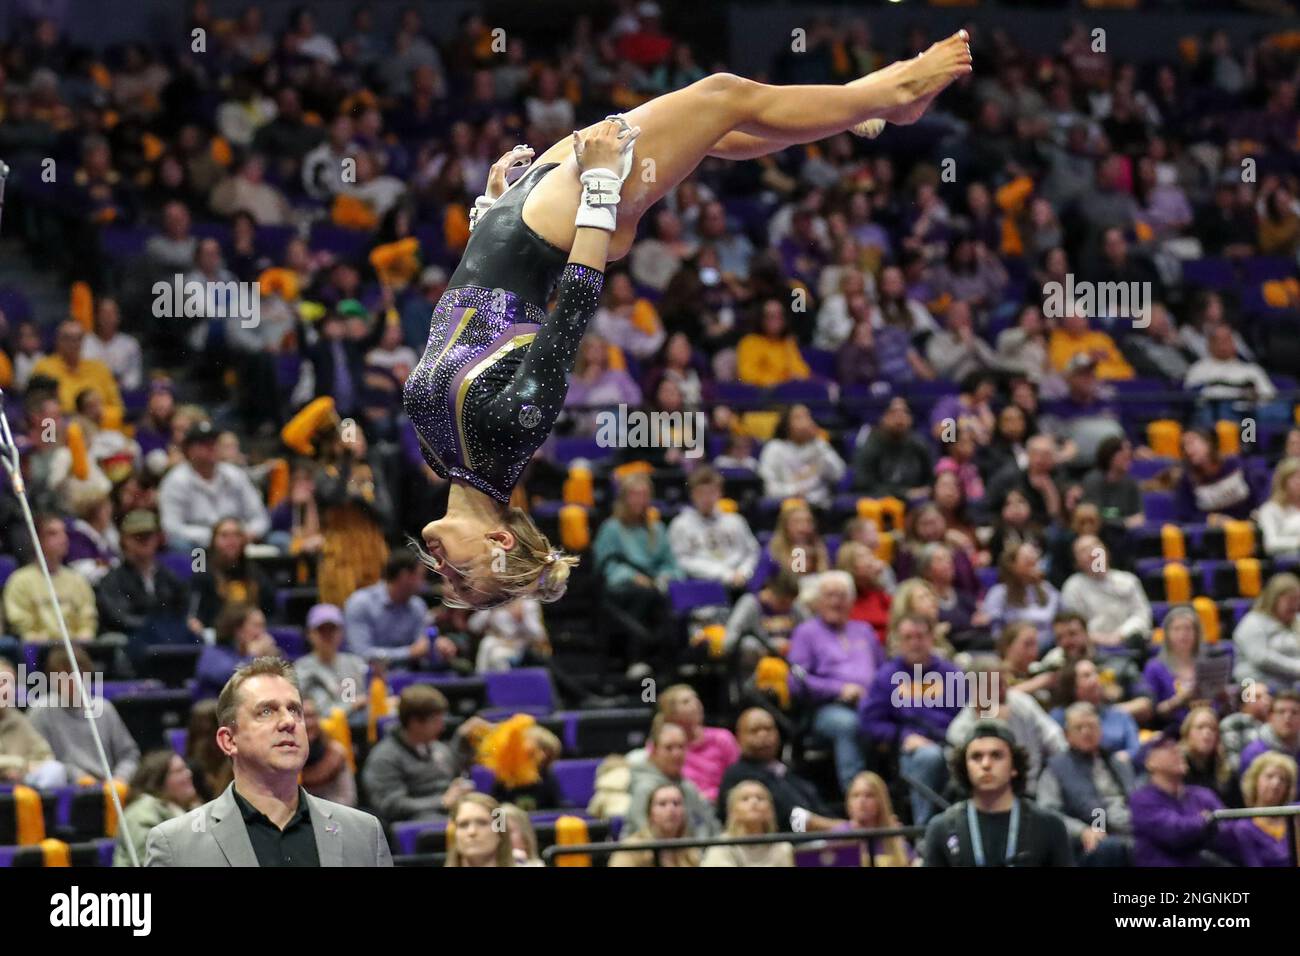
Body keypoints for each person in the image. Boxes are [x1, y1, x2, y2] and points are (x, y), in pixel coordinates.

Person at [408, 43, 975, 608]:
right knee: (720, 96)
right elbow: (574, 308)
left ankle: (860, 107)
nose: (442, 572)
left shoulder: (441, 456)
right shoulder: (509, 438)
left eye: (447, 581)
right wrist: (603, 188)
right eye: (462, 577)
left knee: (712, 130)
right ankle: (890, 98)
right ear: (500, 540)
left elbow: (456, 320)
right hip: (559, 225)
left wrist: (488, 214)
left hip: (518, 222)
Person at [146, 658, 391, 866]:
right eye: (266, 711)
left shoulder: (365, 833)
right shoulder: (175, 845)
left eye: (295, 710)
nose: (288, 721)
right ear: (229, 740)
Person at [924, 719, 1073, 867]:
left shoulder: (1048, 825)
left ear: (1014, 766)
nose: (986, 764)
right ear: (965, 767)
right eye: (976, 757)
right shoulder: (942, 828)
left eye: (996, 755)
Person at [863, 614, 965, 826]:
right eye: (907, 637)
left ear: (931, 638)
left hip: (952, 741)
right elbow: (870, 722)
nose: (914, 643)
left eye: (920, 636)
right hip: (912, 751)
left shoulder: (951, 673)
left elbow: (968, 713)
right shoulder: (886, 677)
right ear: (898, 642)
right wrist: (902, 736)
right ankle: (924, 830)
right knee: (929, 757)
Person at [788, 571, 884, 793]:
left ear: (851, 601)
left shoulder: (864, 630)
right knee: (848, 724)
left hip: (868, 704)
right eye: (829, 595)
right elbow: (796, 680)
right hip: (827, 709)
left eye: (842, 596)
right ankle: (858, 796)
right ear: (818, 601)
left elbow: (881, 671)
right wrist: (838, 689)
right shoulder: (807, 632)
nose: (835, 602)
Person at [593, 473, 682, 677]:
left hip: (653, 584)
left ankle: (670, 662)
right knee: (643, 594)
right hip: (620, 586)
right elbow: (606, 564)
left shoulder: (656, 529)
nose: (640, 500)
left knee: (663, 595)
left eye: (644, 495)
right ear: (624, 498)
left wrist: (665, 576)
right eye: (634, 494)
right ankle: (636, 658)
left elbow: (670, 563)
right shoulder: (611, 528)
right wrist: (632, 576)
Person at [946, 657, 1066, 797]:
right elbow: (964, 780)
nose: (1004, 690)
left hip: (1037, 787)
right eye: (995, 686)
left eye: (1004, 683)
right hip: (989, 797)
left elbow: (1053, 738)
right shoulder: (959, 731)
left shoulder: (1021, 702)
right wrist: (994, 724)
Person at [1035, 702, 1135, 866]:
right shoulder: (1056, 768)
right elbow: (1047, 814)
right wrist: (1082, 831)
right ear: (1067, 735)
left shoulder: (1118, 763)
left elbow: (1137, 799)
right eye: (1079, 728)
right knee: (1111, 847)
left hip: (1131, 831)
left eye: (1091, 726)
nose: (1086, 732)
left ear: (1101, 729)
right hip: (1088, 843)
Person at [1128, 729, 1243, 867]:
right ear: (1149, 762)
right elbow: (1174, 833)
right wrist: (1206, 820)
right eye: (1167, 748)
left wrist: (1205, 822)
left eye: (1176, 746)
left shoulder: (1202, 795)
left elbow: (1229, 831)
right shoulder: (1142, 800)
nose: (1177, 750)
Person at [360, 684, 473, 823]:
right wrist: (441, 802)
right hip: (418, 827)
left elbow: (456, 776)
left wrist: (463, 740)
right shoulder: (384, 757)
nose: (442, 727)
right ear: (415, 723)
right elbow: (391, 805)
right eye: (436, 721)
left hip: (450, 816)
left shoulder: (438, 748)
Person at [718, 708, 842, 833]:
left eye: (768, 729)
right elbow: (792, 819)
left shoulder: (784, 771)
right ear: (739, 738)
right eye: (754, 731)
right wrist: (841, 828)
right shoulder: (738, 775)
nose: (763, 735)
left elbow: (818, 808)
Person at [29, 646, 140, 783]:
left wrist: (120, 778)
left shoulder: (104, 709)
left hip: (110, 787)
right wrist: (77, 777)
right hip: (66, 791)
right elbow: (41, 761)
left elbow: (129, 755)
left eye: (78, 674)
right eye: (64, 675)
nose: (72, 681)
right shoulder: (40, 711)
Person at [158, 420, 271, 552]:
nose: (211, 447)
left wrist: (245, 533)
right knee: (180, 545)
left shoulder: (235, 475)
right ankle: (199, 572)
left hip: (237, 543)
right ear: (189, 450)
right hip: (198, 546)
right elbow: (171, 527)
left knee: (278, 540)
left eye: (214, 442)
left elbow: (260, 517)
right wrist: (214, 537)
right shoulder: (176, 480)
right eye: (204, 443)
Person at [96, 509, 192, 640]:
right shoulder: (112, 580)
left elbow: (183, 609)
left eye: (149, 535)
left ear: (158, 539)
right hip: (131, 641)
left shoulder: (170, 577)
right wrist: (158, 628)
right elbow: (120, 618)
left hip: (167, 641)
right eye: (138, 536)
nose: (144, 541)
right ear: (124, 540)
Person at [3, 513, 98, 643]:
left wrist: (83, 636)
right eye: (53, 533)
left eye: (64, 532)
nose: (63, 538)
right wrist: (52, 641)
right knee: (23, 663)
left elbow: (87, 621)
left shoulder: (77, 580)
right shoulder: (20, 581)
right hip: (37, 651)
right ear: (36, 540)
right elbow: (22, 627)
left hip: (76, 648)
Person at [343, 552, 443, 666]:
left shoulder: (418, 606)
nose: (423, 583)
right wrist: (409, 652)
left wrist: (435, 648)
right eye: (420, 576)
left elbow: (421, 648)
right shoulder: (360, 603)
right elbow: (361, 653)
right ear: (405, 576)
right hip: (365, 675)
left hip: (409, 676)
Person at [667, 466, 759, 589]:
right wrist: (725, 574)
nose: (706, 498)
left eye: (712, 492)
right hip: (703, 586)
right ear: (692, 494)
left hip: (741, 581)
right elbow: (681, 560)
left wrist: (744, 572)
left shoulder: (735, 521)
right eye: (701, 493)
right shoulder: (680, 524)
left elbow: (752, 552)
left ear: (720, 493)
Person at [626, 720, 720, 839]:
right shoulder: (644, 788)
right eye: (669, 748)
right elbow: (642, 834)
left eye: (681, 747)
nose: (676, 754)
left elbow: (708, 825)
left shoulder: (689, 787)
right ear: (654, 751)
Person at [1059, 535, 1151, 649]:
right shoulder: (1072, 586)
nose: (1092, 552)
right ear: (1077, 562)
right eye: (1083, 550)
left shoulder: (1128, 580)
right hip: (1092, 647)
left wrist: (1120, 635)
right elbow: (1073, 626)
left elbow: (1142, 615)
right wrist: (1100, 639)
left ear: (1106, 552)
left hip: (1129, 642)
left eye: (1095, 546)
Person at [113, 750, 199, 867]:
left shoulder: (192, 808)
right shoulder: (140, 813)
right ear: (159, 780)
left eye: (186, 768)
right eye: (179, 771)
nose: (189, 773)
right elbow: (148, 861)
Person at [656, 684, 740, 803]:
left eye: (696, 699)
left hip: (721, 804)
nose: (696, 704)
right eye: (686, 702)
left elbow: (737, 779)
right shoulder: (664, 745)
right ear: (671, 714)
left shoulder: (722, 738)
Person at [758, 404, 847, 509]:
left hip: (818, 506)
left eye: (807, 417)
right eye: (798, 418)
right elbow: (768, 487)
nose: (805, 422)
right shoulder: (775, 448)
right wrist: (794, 491)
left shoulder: (819, 445)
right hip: (785, 504)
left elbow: (838, 474)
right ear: (786, 424)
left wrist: (818, 442)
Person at [1050, 658, 1141, 760]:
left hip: (1120, 770)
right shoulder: (1060, 716)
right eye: (1087, 676)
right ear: (1072, 685)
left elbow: (1136, 749)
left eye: (1096, 673)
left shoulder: (1119, 715)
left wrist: (1118, 761)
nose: (1096, 679)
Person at [0, 656, 67, 788]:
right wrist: (19, 764)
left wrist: (24, 770)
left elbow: (45, 755)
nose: (6, 690)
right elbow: (19, 763)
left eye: (11, 684)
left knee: (55, 769)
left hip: (18, 782)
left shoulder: (17, 719)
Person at [982, 542, 1060, 654]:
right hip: (1017, 651)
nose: (1033, 560)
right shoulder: (999, 593)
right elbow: (995, 632)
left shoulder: (1047, 588)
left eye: (1035, 559)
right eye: (1028, 560)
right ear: (1012, 564)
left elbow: (1065, 617)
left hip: (1051, 647)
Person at [852, 397, 934, 500]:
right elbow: (863, 484)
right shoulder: (870, 446)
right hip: (879, 503)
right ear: (883, 418)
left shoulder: (919, 445)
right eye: (893, 412)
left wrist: (926, 490)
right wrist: (903, 493)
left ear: (911, 419)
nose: (900, 417)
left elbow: (931, 479)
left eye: (905, 412)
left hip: (916, 505)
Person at [1173, 427, 1259, 525]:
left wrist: (1257, 513)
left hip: (1248, 526)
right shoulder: (1187, 480)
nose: (1188, 450)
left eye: (1192, 443)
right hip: (1214, 534)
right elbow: (1185, 516)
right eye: (1184, 446)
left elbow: (1259, 493)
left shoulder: (1236, 465)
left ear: (1208, 442)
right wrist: (1208, 519)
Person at [294, 604, 368, 715]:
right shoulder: (301, 669)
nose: (328, 635)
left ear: (341, 633)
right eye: (322, 630)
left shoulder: (355, 663)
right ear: (310, 634)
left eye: (332, 629)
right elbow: (321, 712)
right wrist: (355, 704)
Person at [195, 604, 281, 700]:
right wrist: (252, 656)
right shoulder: (213, 654)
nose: (263, 633)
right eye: (257, 626)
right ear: (237, 630)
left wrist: (275, 658)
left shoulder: (266, 653)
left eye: (263, 626)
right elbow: (230, 680)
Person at [701, 780, 795, 867]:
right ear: (733, 811)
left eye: (760, 798)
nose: (754, 802)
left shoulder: (783, 848)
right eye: (745, 799)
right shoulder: (721, 847)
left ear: (770, 811)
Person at [608, 782, 703, 868]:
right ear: (650, 814)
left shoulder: (690, 851)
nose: (671, 809)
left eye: (676, 803)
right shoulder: (632, 849)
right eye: (662, 804)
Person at [1231, 573, 1300, 687]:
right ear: (1274, 599)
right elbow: (1261, 658)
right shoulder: (1252, 622)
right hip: (1255, 685)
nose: (1295, 604)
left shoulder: (1297, 620)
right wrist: (1297, 667)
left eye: (1298, 599)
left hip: (1291, 686)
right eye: (1291, 599)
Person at [1143, 606, 1207, 728]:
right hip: (1173, 729)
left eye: (1188, 629)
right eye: (1177, 629)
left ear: (1197, 633)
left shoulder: (1207, 664)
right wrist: (1179, 700)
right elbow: (1153, 712)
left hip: (1209, 725)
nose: (1183, 634)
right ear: (1167, 634)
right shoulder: (1154, 667)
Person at [1236, 752, 1298, 867]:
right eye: (1269, 776)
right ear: (1255, 781)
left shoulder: (1295, 817)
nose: (1276, 784)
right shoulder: (1243, 828)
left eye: (1282, 779)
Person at [841, 771, 916, 866]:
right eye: (856, 795)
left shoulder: (892, 836)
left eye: (869, 795)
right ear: (849, 802)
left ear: (881, 801)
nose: (861, 801)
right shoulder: (839, 836)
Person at [300, 698, 357, 807]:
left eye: (312, 715)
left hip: (334, 815)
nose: (309, 723)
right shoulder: (286, 758)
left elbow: (348, 797)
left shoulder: (336, 753)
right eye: (303, 717)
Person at [1079, 436, 1144, 530]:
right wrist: (1123, 522)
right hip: (1099, 533)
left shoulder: (1131, 483)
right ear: (1110, 456)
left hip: (1124, 535)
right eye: (1123, 457)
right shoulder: (1092, 481)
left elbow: (1138, 514)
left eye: (1129, 458)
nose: (1128, 461)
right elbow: (1093, 518)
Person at [1181, 706, 1241, 807]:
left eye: (1213, 729)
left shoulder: (1226, 773)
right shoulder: (1177, 771)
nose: (1207, 733)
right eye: (1200, 727)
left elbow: (1237, 809)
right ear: (1187, 734)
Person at [1239, 690, 1300, 773]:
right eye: (1281, 712)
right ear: (1270, 717)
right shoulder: (1254, 754)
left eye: (1294, 712)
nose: (1287, 717)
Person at [1258, 457, 1300, 558]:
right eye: (1296, 478)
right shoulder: (1270, 509)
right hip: (1287, 564)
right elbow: (1270, 544)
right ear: (1283, 482)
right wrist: (1298, 542)